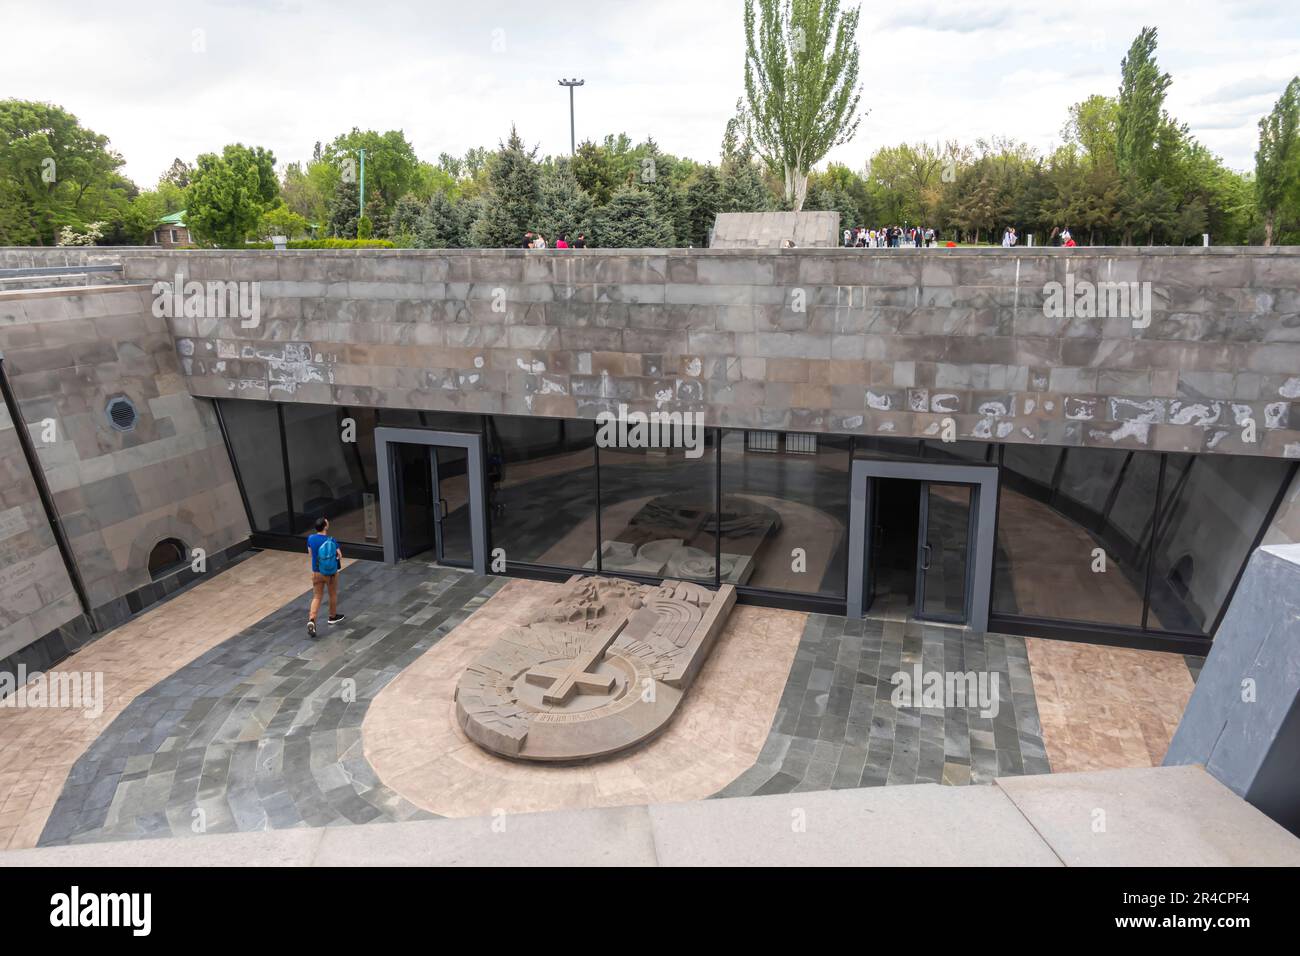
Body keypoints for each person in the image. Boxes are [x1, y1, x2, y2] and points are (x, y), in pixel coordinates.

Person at [306, 517, 345, 638]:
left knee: (317, 596)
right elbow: (340, 555)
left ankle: (312, 619)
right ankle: (332, 617)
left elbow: (310, 554)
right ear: (325, 526)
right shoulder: (331, 540)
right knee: (332, 594)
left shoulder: (311, 538)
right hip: (330, 573)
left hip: (316, 572)